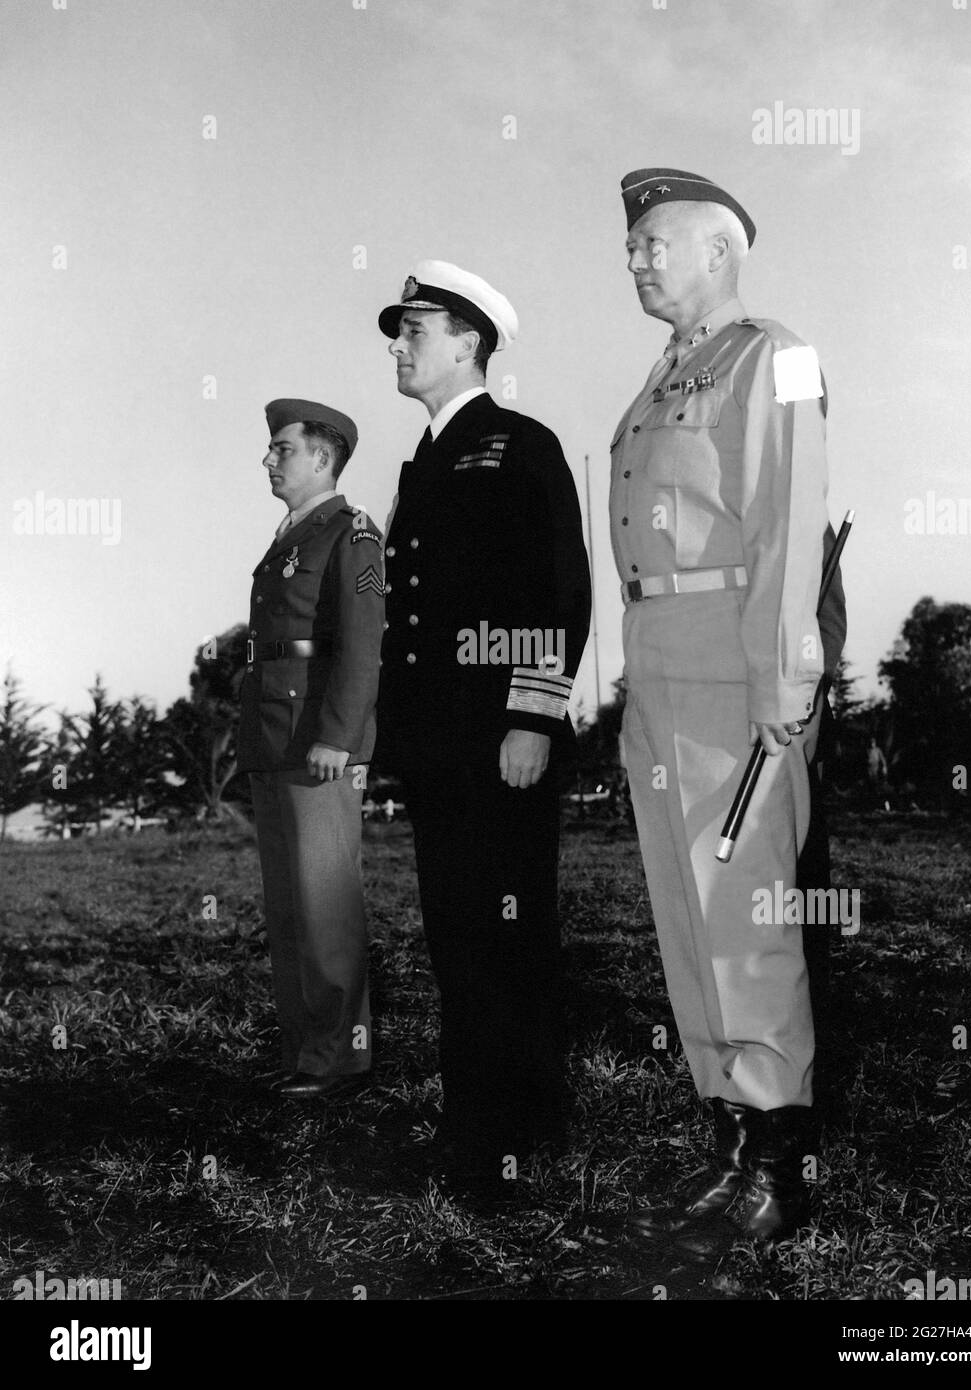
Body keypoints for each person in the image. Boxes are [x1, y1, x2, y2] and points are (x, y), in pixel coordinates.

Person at [610, 170, 845, 1243]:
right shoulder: (664, 376)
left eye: (658, 239)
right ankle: (733, 1137)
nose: (638, 256)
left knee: (745, 918)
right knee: (685, 916)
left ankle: (782, 1163)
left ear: (721, 249)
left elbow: (789, 527)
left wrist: (783, 681)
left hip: (729, 671)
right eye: (634, 244)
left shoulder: (771, 354)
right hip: (659, 674)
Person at [375, 261, 591, 1196]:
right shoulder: (418, 462)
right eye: (398, 330)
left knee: (508, 931)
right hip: (436, 744)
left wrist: (531, 715)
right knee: (456, 933)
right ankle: (478, 1119)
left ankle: (517, 1127)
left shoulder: (516, 443)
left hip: (500, 735)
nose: (398, 344)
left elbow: (557, 586)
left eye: (414, 328)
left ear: (468, 341)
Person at [236, 399, 385, 1099]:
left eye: (282, 448)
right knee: (289, 906)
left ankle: (340, 1059)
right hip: (275, 736)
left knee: (326, 905)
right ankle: (304, 1051)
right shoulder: (291, 535)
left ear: (322, 459)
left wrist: (337, 736)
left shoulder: (349, 535)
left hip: (318, 743)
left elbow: (362, 645)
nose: (269, 459)